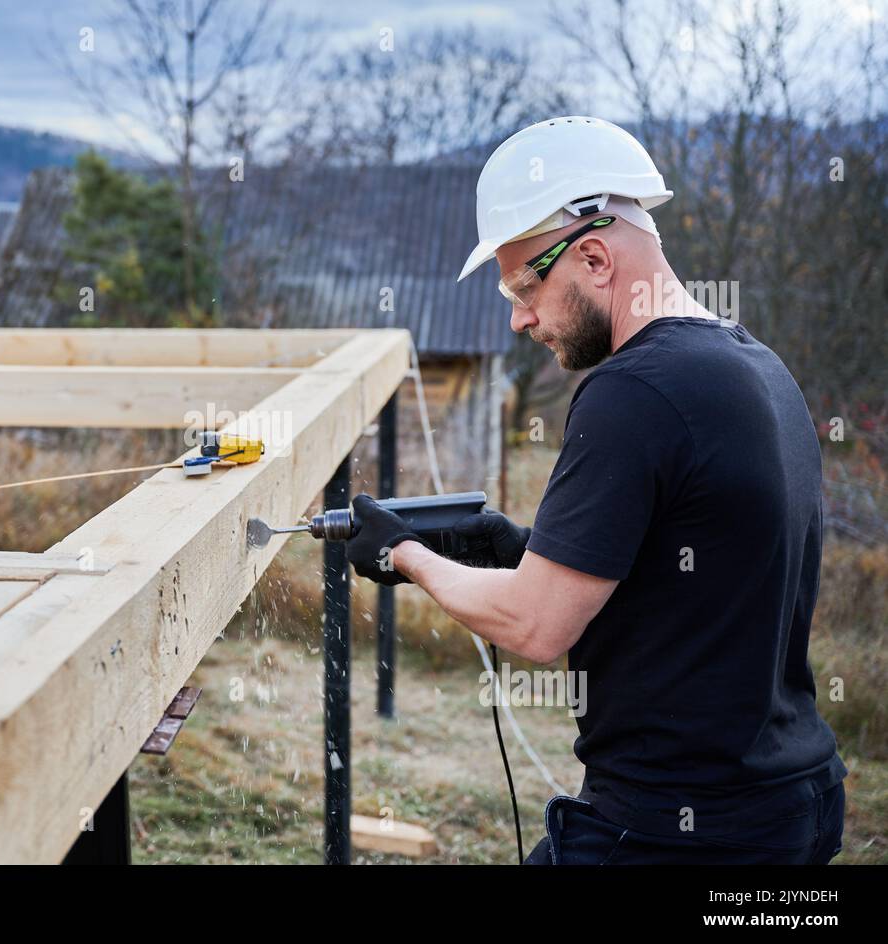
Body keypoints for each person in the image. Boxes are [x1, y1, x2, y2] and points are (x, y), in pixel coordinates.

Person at [347, 116, 846, 865]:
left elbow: (535, 629)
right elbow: (698, 579)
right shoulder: (754, 366)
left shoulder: (632, 391)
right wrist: (528, 552)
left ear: (592, 256)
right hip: (790, 805)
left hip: (674, 829)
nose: (518, 318)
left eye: (524, 285)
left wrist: (407, 554)